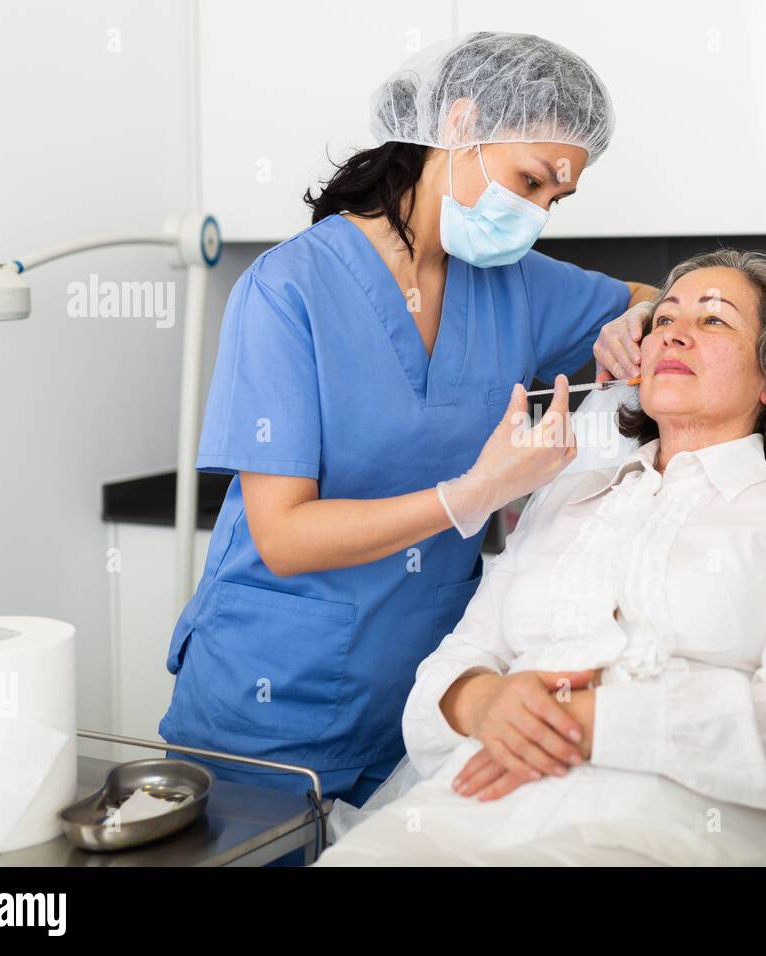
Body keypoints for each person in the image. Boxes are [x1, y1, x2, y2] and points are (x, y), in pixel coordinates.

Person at [158, 32, 660, 806]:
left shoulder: (512, 283)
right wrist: (475, 493)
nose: (534, 216)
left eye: (553, 199)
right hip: (269, 703)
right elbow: (285, 537)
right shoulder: (288, 291)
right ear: (458, 125)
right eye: (528, 180)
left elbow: (641, 299)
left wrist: (640, 321)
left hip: (422, 705)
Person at [316, 249, 766, 865]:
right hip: (466, 811)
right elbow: (453, 666)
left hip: (663, 828)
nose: (674, 333)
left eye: (714, 321)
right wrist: (484, 702)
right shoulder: (568, 497)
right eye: (663, 320)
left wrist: (590, 721)